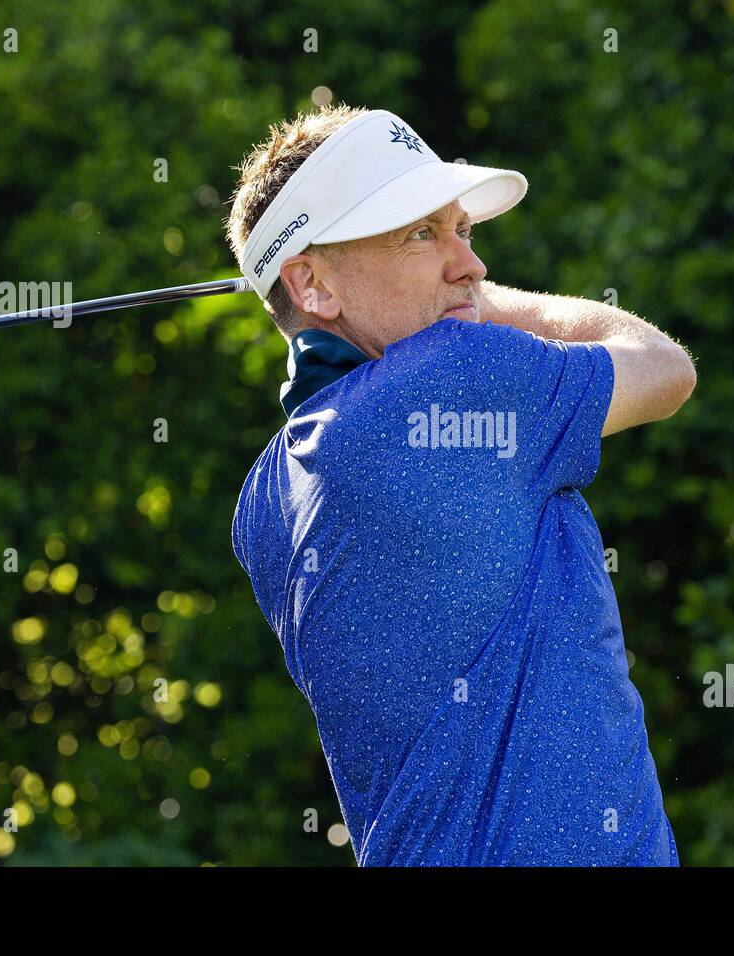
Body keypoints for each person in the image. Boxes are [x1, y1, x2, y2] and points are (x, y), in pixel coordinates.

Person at [224, 104, 696, 865]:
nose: (468, 264)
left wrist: (447, 294)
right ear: (310, 282)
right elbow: (664, 368)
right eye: (419, 234)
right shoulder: (462, 376)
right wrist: (485, 308)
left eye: (463, 230)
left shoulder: (262, 504)